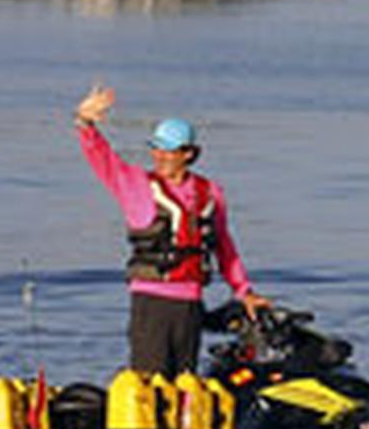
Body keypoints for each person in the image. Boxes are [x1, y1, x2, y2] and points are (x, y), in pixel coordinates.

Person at [74, 84, 268, 377]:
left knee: (184, 382)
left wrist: (244, 292)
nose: (160, 156)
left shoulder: (211, 193)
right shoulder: (137, 185)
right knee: (150, 381)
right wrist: (85, 123)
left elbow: (224, 247)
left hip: (190, 303)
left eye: (169, 150)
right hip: (151, 302)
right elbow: (103, 160)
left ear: (189, 153)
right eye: (156, 148)